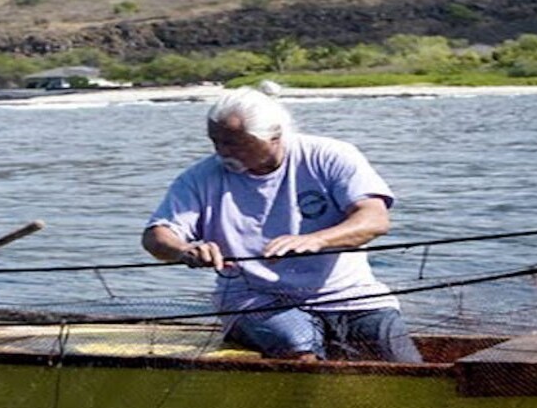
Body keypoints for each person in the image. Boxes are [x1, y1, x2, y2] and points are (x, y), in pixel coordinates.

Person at [142, 85, 422, 362]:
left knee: (401, 360)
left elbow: (374, 219)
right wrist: (184, 250)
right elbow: (157, 236)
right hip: (255, 298)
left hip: (351, 293)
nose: (222, 151)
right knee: (299, 349)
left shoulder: (330, 155)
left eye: (234, 142)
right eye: (215, 141)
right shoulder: (199, 177)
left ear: (274, 135)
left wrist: (316, 240)